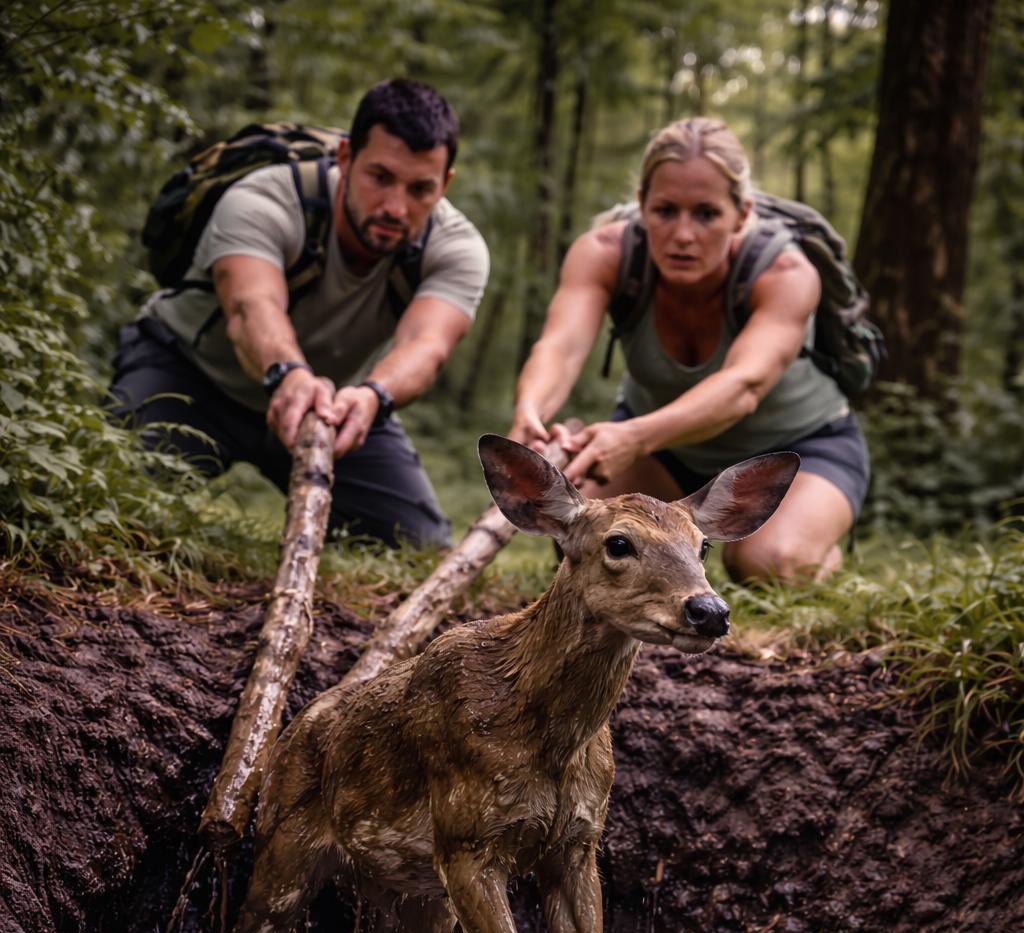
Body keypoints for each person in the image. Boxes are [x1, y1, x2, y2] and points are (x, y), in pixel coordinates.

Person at [111, 78, 490, 548]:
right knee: (112, 499)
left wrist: (373, 396)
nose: (396, 206)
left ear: (445, 183)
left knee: (420, 546)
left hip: (335, 408)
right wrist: (289, 374)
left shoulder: (456, 246)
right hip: (189, 376)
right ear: (346, 158)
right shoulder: (265, 198)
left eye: (420, 188)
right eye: (380, 177)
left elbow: (426, 346)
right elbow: (252, 306)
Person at [511, 117, 870, 582]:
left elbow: (744, 385)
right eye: (664, 211)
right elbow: (560, 347)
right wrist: (530, 408)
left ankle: (811, 550)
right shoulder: (603, 253)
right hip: (664, 453)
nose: (683, 234)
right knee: (583, 539)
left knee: (768, 565)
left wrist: (635, 436)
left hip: (797, 449)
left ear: (741, 214)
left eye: (706, 214)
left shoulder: (785, 272)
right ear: (641, 204)